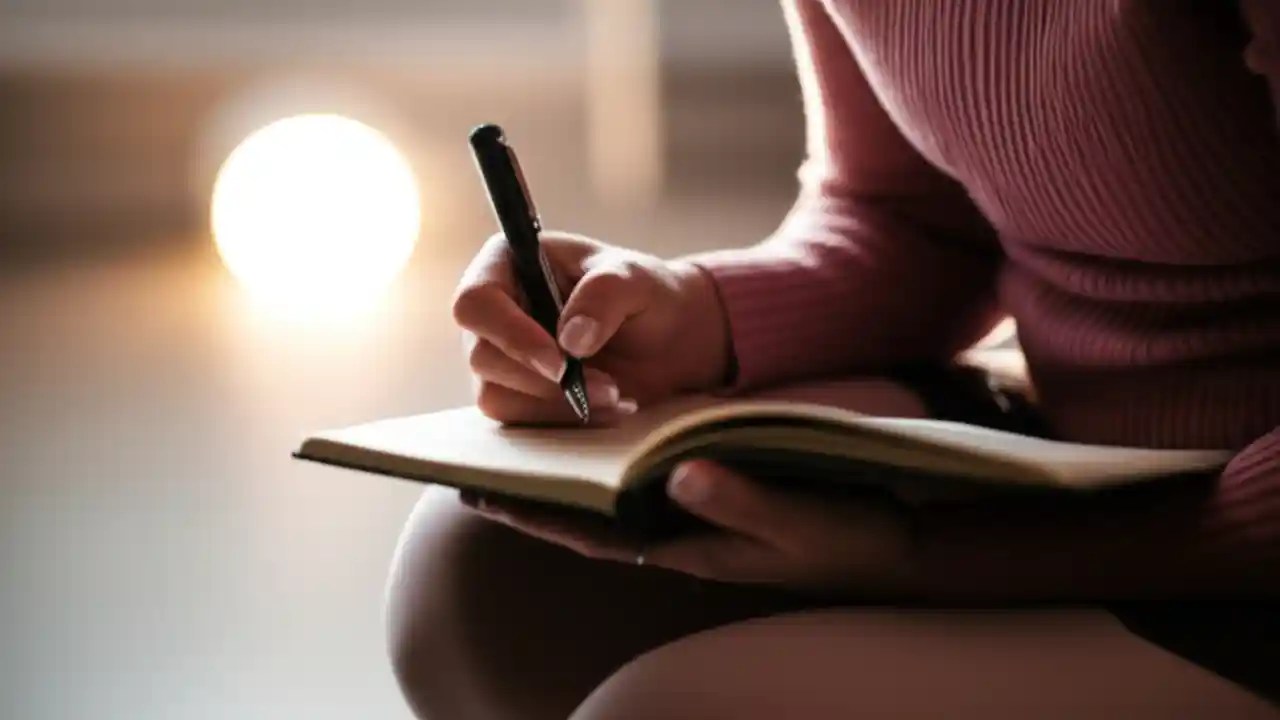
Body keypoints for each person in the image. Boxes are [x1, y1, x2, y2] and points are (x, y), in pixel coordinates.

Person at [386, 1, 1280, 717]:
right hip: (1106, 456)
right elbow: (911, 215)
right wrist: (687, 313)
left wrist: (928, 556)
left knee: (672, 709)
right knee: (476, 581)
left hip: (1240, 529)